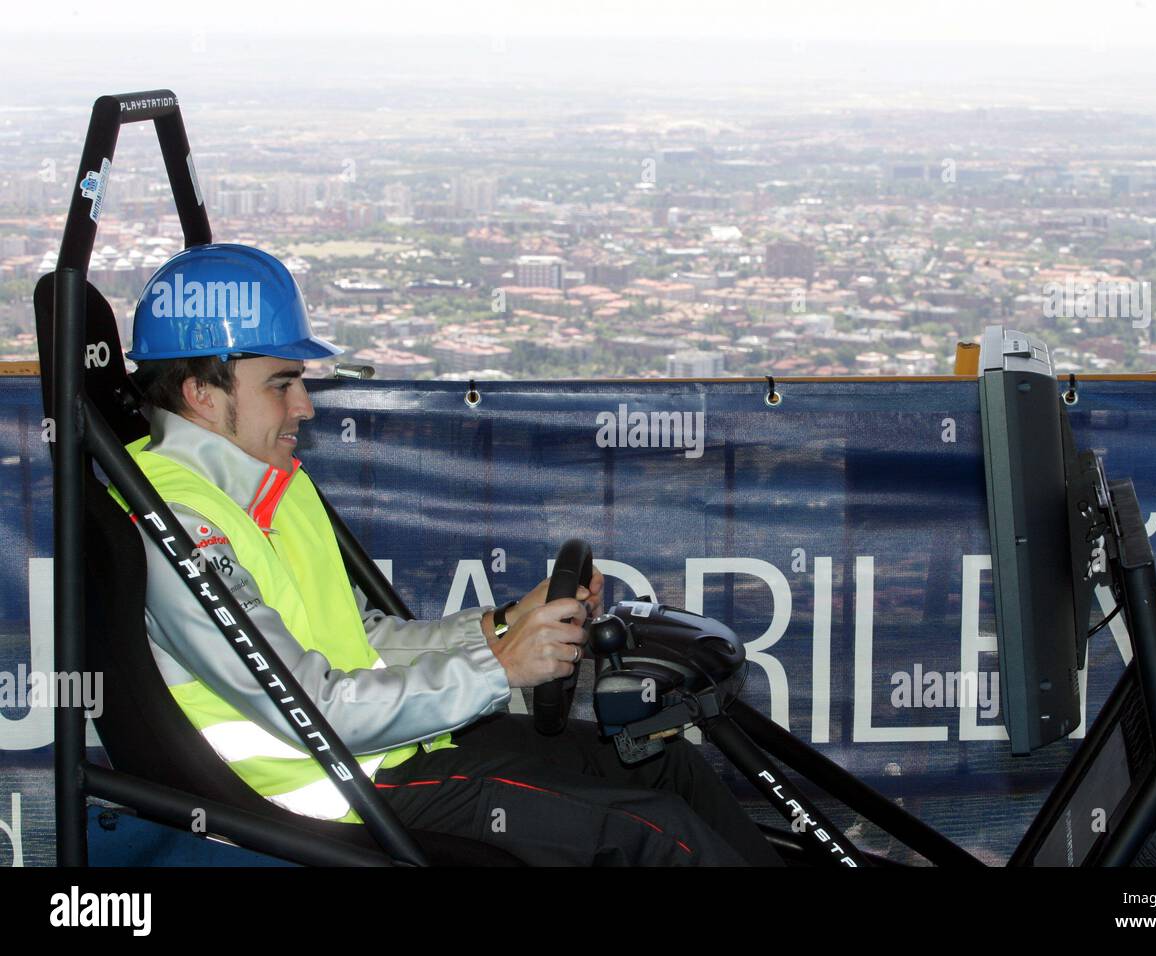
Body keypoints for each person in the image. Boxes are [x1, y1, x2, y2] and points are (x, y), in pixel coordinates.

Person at [119, 242, 781, 866]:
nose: (305, 407)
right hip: (329, 792)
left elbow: (365, 640)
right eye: (281, 384)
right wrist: (498, 669)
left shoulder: (266, 481)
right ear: (201, 393)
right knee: (660, 839)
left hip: (386, 750)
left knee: (666, 764)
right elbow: (312, 708)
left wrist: (502, 628)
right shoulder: (177, 523)